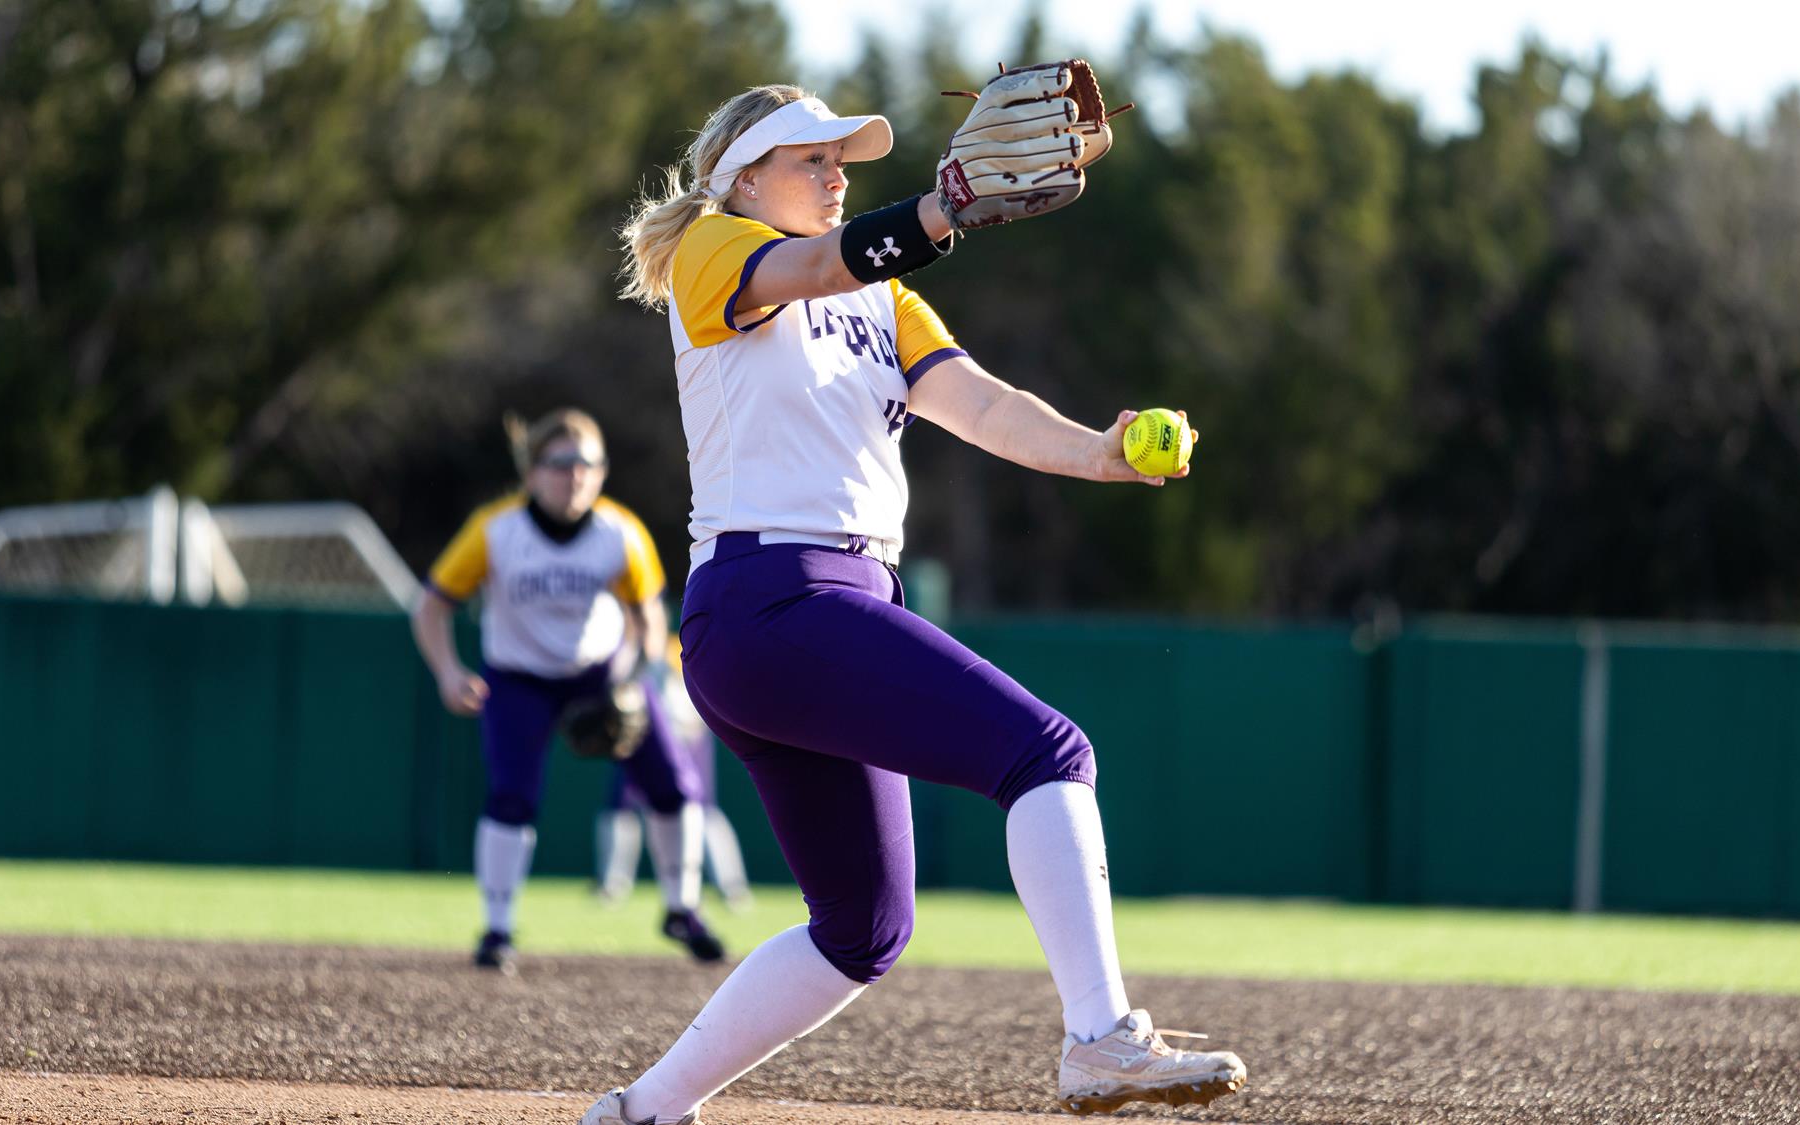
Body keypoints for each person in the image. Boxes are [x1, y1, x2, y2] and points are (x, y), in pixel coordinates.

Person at [579, 79, 1246, 1125]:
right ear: (742, 176)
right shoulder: (719, 244)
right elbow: (804, 266)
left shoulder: (881, 300)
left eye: (843, 158)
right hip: (773, 597)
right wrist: (934, 212)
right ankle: (1100, 1040)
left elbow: (978, 403)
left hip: (808, 611)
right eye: (812, 158)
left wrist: (1100, 455)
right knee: (1047, 754)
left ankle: (642, 1111)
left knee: (860, 931)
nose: (837, 172)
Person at [411, 407, 726, 972]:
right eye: (561, 463)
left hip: (601, 674)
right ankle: (497, 927)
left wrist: (634, 678)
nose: (575, 475)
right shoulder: (496, 529)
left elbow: (649, 615)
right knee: (512, 795)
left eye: (588, 464)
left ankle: (683, 908)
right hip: (518, 675)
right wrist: (449, 671)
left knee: (674, 786)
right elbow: (431, 606)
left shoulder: (619, 531)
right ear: (532, 472)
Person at [593, 637, 753, 911]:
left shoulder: (676, 646)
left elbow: (692, 704)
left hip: (683, 740)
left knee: (700, 810)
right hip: (638, 736)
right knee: (621, 810)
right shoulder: (619, 646)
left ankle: (731, 888)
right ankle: (613, 884)